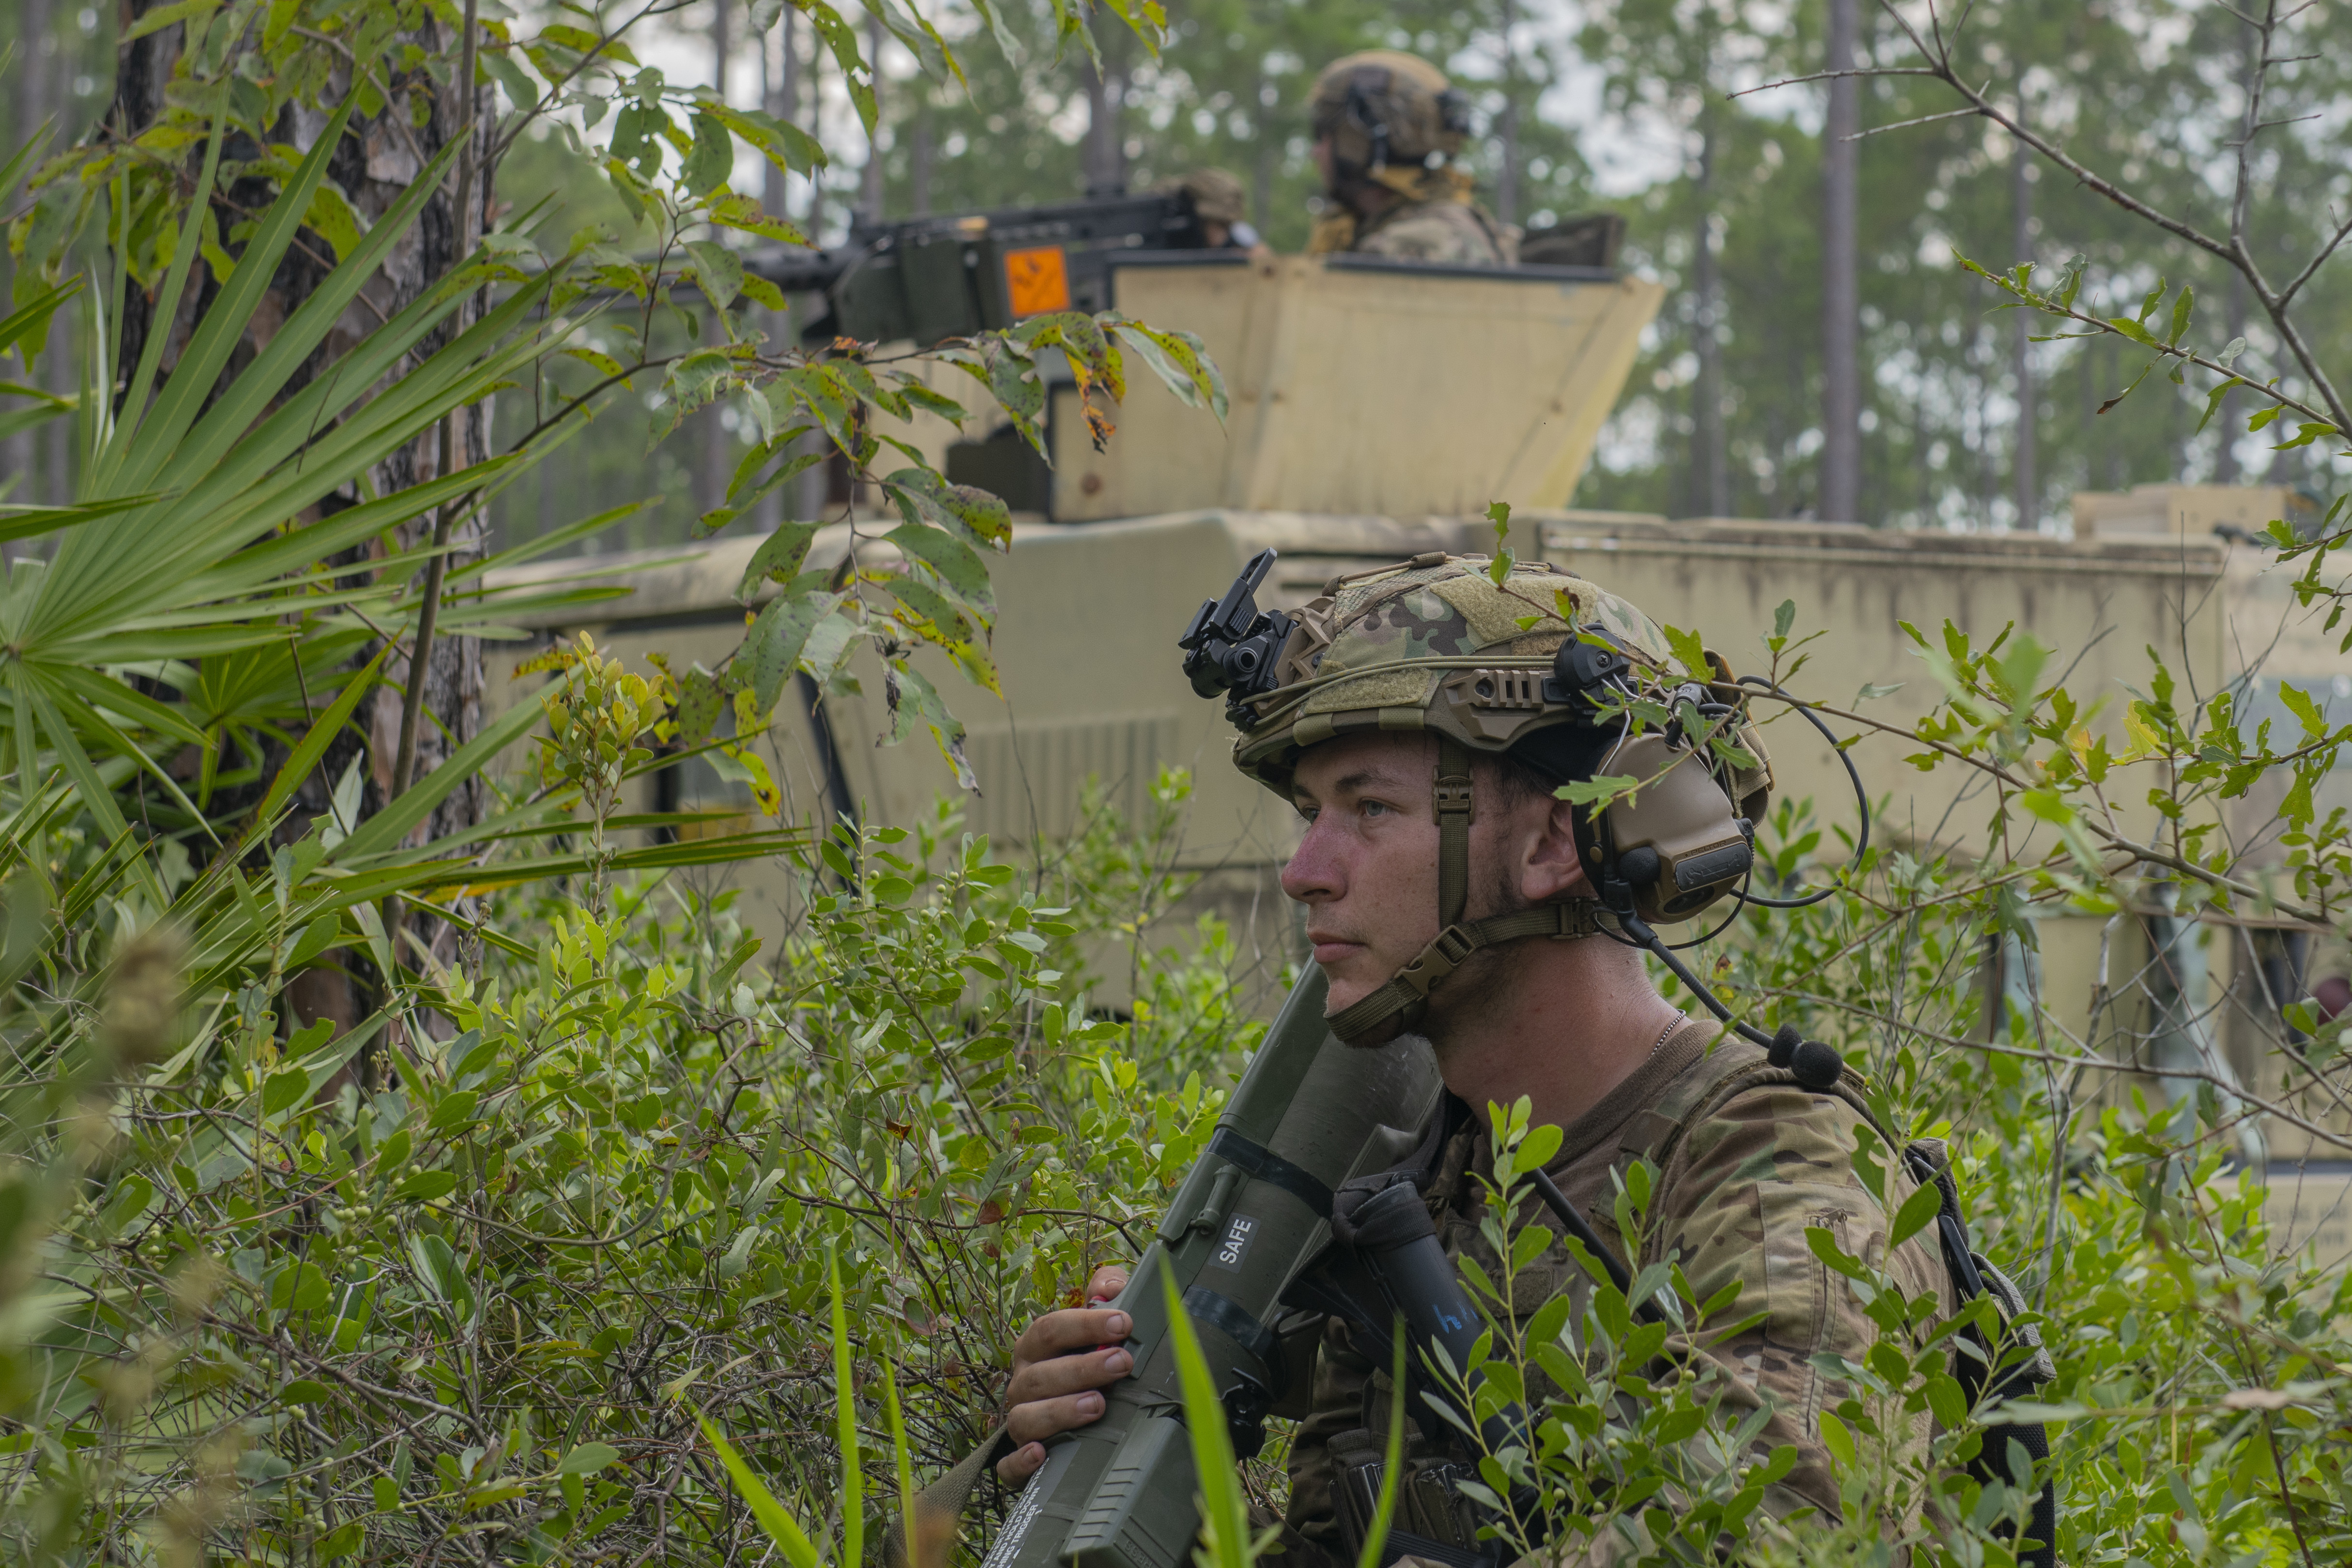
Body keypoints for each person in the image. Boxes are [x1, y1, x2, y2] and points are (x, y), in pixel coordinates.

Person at [997, 554, 1961, 1559]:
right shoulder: (1431, 1183)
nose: (1303, 872)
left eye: (1369, 808)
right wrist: (1101, 1467)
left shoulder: (1776, 1169)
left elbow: (1771, 1534)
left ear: (1550, 843)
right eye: (1307, 813)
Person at [1304, 51, 1517, 267]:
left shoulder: (1412, 245)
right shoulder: (1382, 226)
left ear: (1356, 143)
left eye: (1322, 136)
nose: (1316, 151)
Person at [1153, 168, 1262, 251]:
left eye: (1224, 225)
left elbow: (1260, 253)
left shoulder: (1237, 233)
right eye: (1219, 225)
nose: (1222, 236)